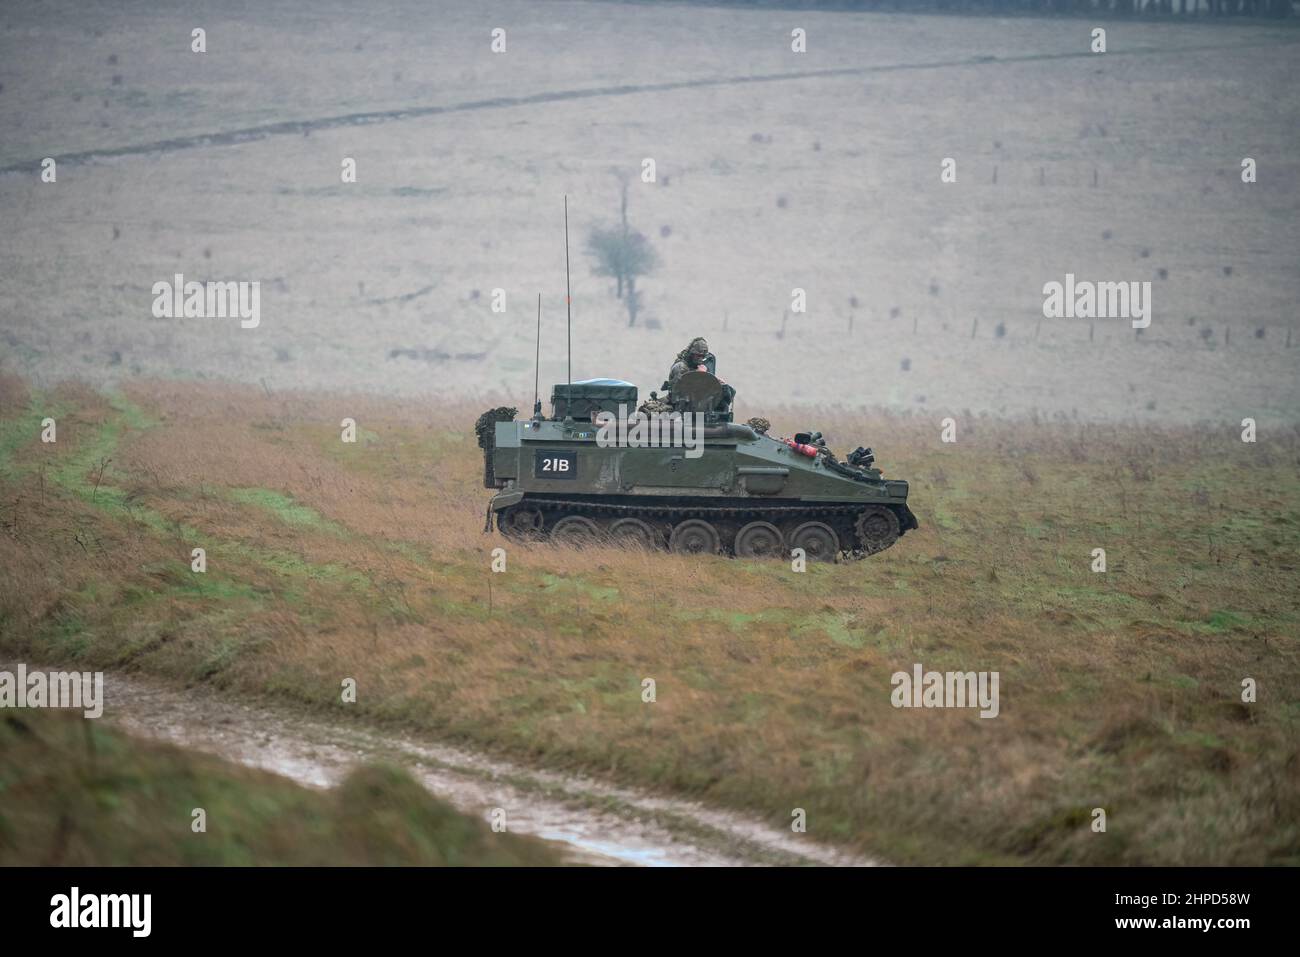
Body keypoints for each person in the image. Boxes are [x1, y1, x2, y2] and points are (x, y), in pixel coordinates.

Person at [664, 337, 735, 411]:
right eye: (698, 355)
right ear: (691, 354)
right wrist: (701, 375)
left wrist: (716, 381)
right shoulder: (680, 367)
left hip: (696, 406)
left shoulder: (697, 367)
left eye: (702, 356)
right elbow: (684, 389)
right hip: (681, 406)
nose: (700, 359)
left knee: (726, 389)